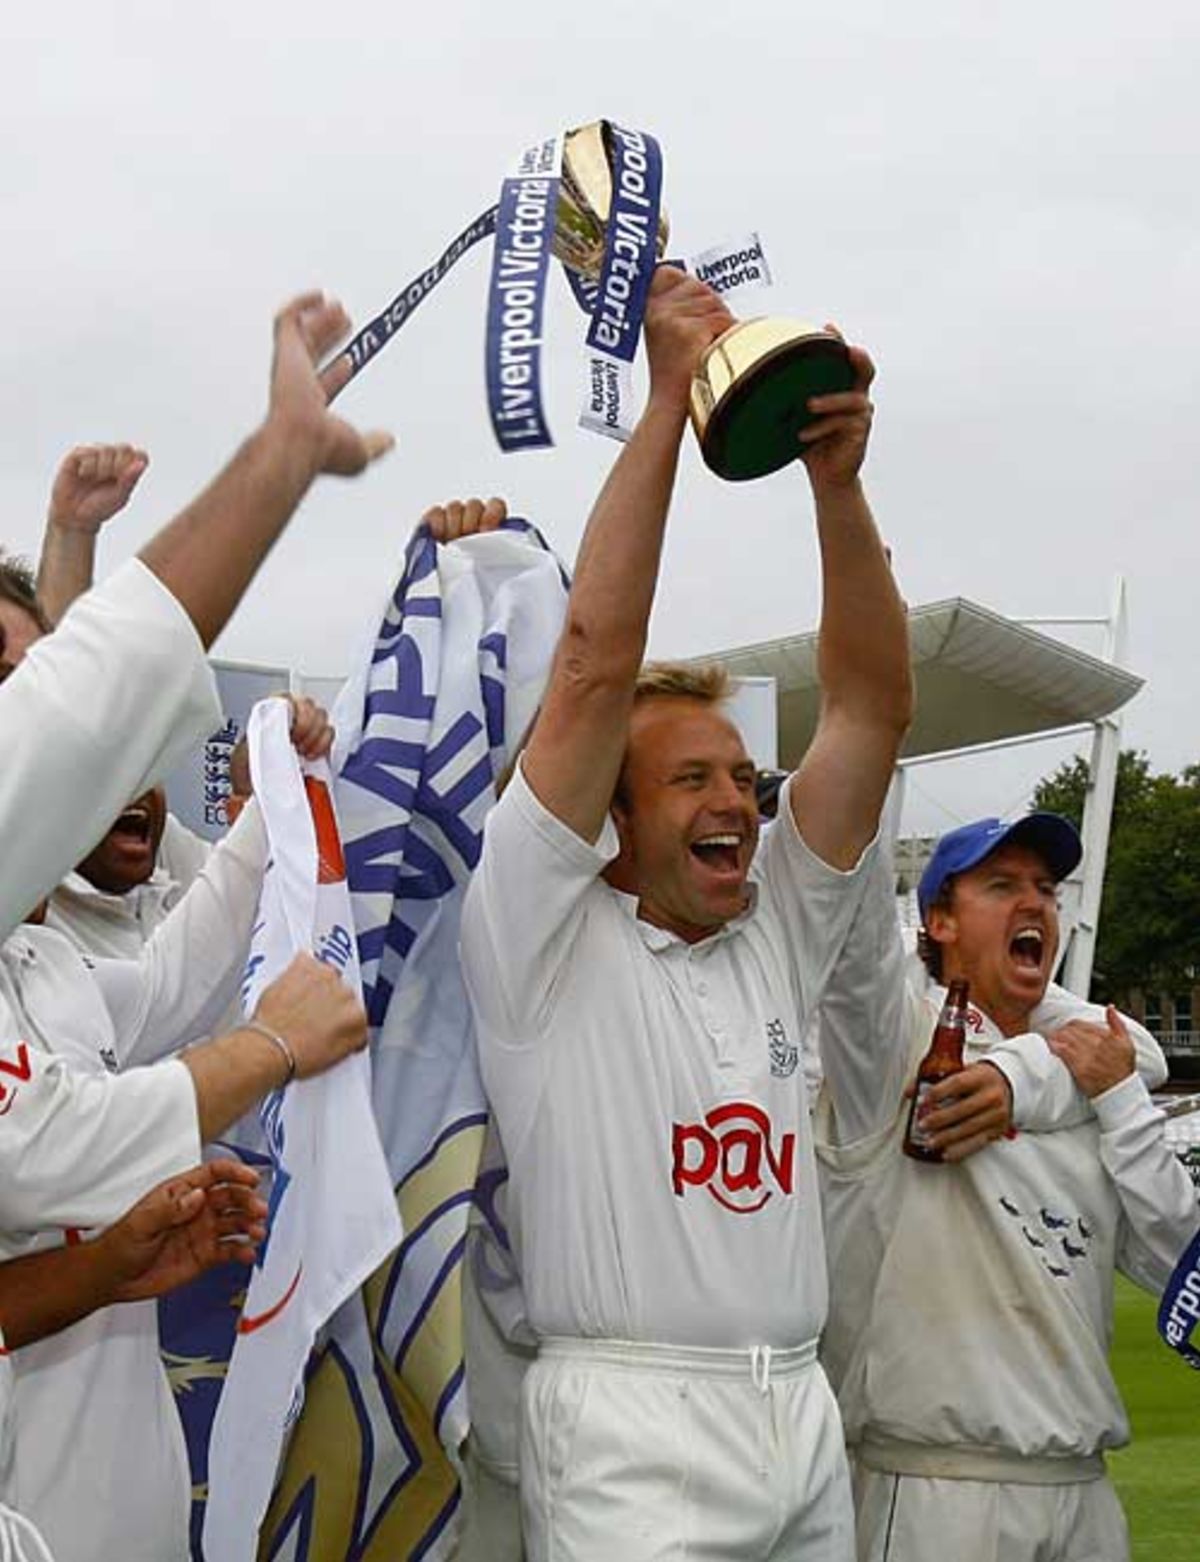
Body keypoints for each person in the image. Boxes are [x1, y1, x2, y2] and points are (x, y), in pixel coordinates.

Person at [460, 266, 912, 1561]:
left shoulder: (775, 917)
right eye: (691, 779)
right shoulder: (534, 935)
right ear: (607, 820)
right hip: (625, 1424)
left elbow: (873, 710)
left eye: (742, 776)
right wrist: (668, 404)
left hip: (799, 1414)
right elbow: (596, 659)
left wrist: (837, 485)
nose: (738, 800)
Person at [813, 812, 1189, 1562]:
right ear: (939, 921)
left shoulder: (1096, 1077)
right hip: (935, 1490)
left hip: (1083, 1490)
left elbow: (1183, 1260)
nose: (1035, 904)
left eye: (1047, 889)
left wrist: (1078, 1088)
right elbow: (843, 929)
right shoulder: (897, 1042)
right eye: (1001, 884)